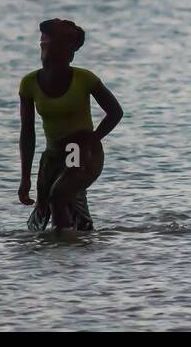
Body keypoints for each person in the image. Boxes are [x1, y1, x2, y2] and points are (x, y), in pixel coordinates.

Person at [18, 18, 123, 231]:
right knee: (51, 212)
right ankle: (78, 244)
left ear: (70, 50)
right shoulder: (29, 83)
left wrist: (91, 141)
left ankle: (63, 248)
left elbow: (115, 112)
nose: (48, 47)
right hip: (52, 155)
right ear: (42, 43)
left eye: (60, 42)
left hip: (79, 150)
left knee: (59, 196)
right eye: (46, 41)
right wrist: (25, 178)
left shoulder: (84, 78)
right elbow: (27, 132)